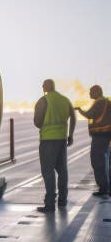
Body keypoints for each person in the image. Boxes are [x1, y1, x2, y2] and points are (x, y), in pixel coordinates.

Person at [34, 79, 76, 213]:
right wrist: (71, 135)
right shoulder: (65, 100)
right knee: (62, 170)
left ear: (48, 86)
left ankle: (50, 204)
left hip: (48, 140)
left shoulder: (43, 101)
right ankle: (63, 201)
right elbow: (73, 117)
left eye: (43, 84)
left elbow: (37, 122)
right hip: (62, 139)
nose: (42, 86)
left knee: (48, 171)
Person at [75, 85, 111, 198]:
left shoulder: (99, 102)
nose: (89, 94)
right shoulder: (107, 102)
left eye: (91, 92)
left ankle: (103, 188)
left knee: (98, 162)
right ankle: (107, 187)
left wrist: (79, 110)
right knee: (107, 162)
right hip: (107, 136)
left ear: (97, 92)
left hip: (100, 136)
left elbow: (89, 114)